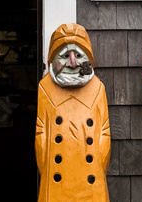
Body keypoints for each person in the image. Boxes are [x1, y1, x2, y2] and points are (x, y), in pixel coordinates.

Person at [35, 24, 110, 202]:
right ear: (53, 59)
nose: (73, 62)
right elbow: (41, 134)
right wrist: (45, 168)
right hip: (56, 181)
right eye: (64, 56)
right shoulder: (45, 88)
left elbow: (104, 132)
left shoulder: (97, 88)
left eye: (78, 55)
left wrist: (100, 164)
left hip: (91, 182)